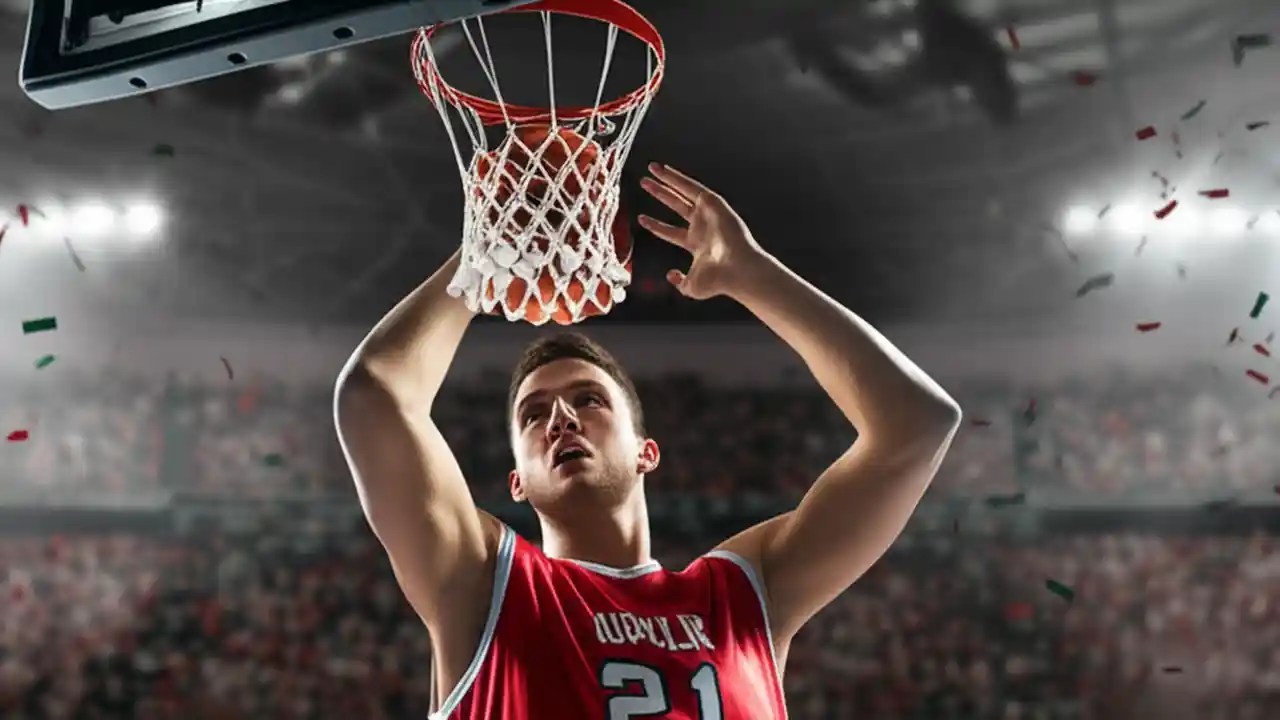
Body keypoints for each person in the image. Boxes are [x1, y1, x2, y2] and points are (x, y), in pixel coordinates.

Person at [334, 162, 961, 718]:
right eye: (533, 414)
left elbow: (917, 426)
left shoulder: (742, 592)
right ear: (515, 481)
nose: (561, 420)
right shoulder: (481, 580)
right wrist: (481, 260)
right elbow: (373, 396)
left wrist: (756, 277)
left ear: (646, 451)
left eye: (589, 399)